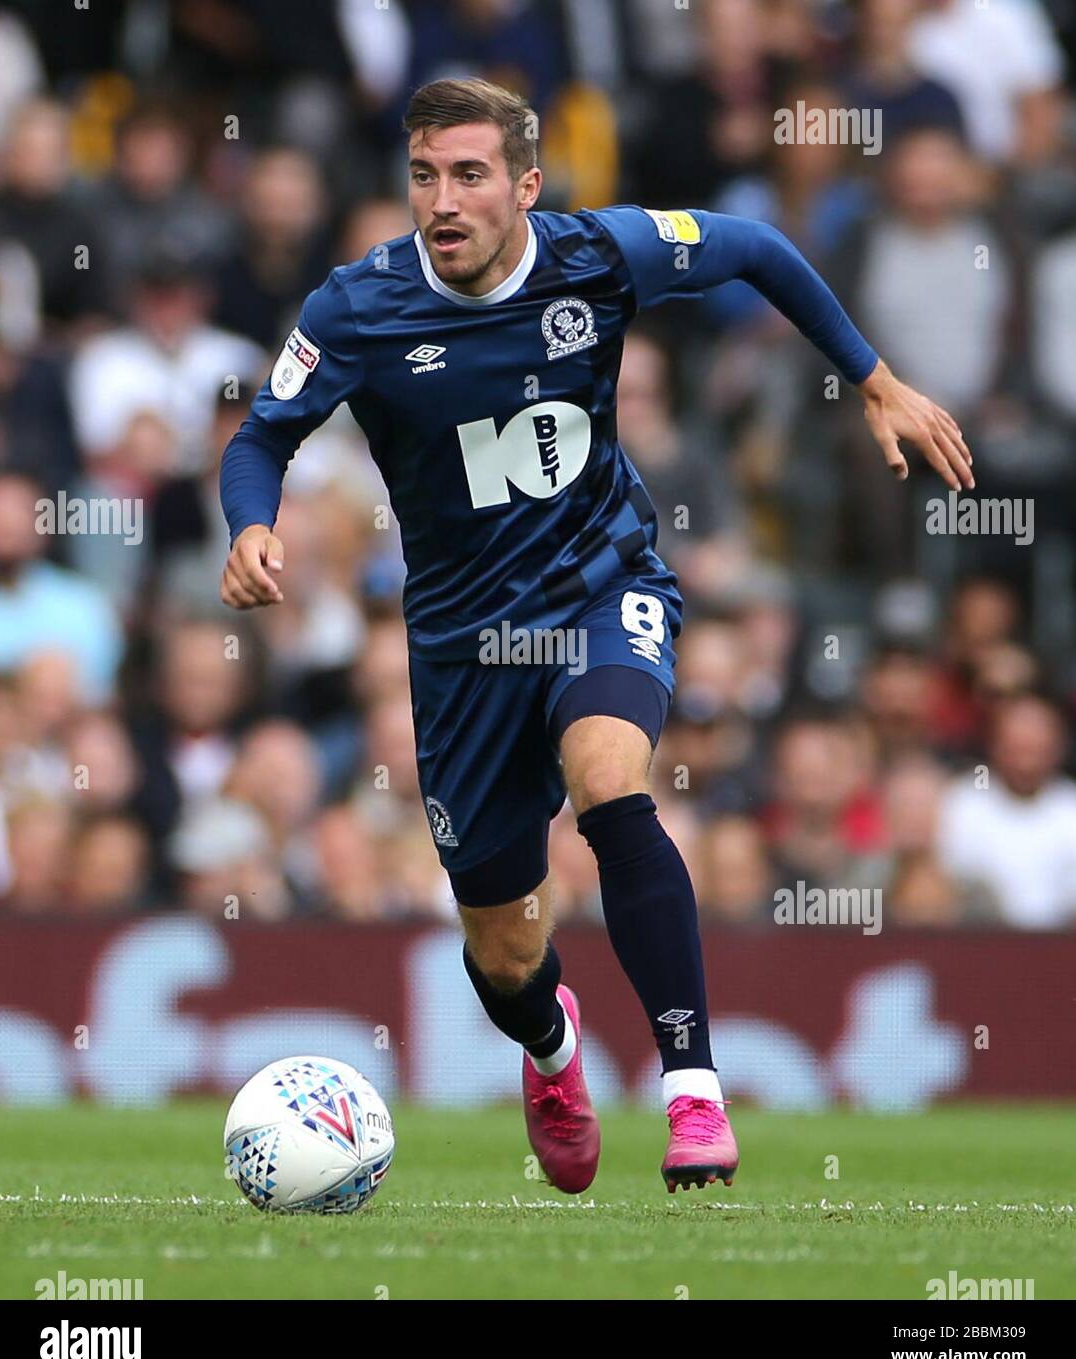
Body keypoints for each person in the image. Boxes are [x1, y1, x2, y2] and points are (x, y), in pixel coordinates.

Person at [219, 77, 974, 1195]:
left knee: (612, 780)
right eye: (425, 175)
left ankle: (694, 1095)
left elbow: (757, 249)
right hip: (461, 646)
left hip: (599, 587)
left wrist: (875, 380)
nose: (444, 201)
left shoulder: (601, 255)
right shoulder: (356, 308)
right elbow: (261, 437)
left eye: (471, 174)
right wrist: (250, 527)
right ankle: (553, 1047)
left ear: (526, 184)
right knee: (506, 953)